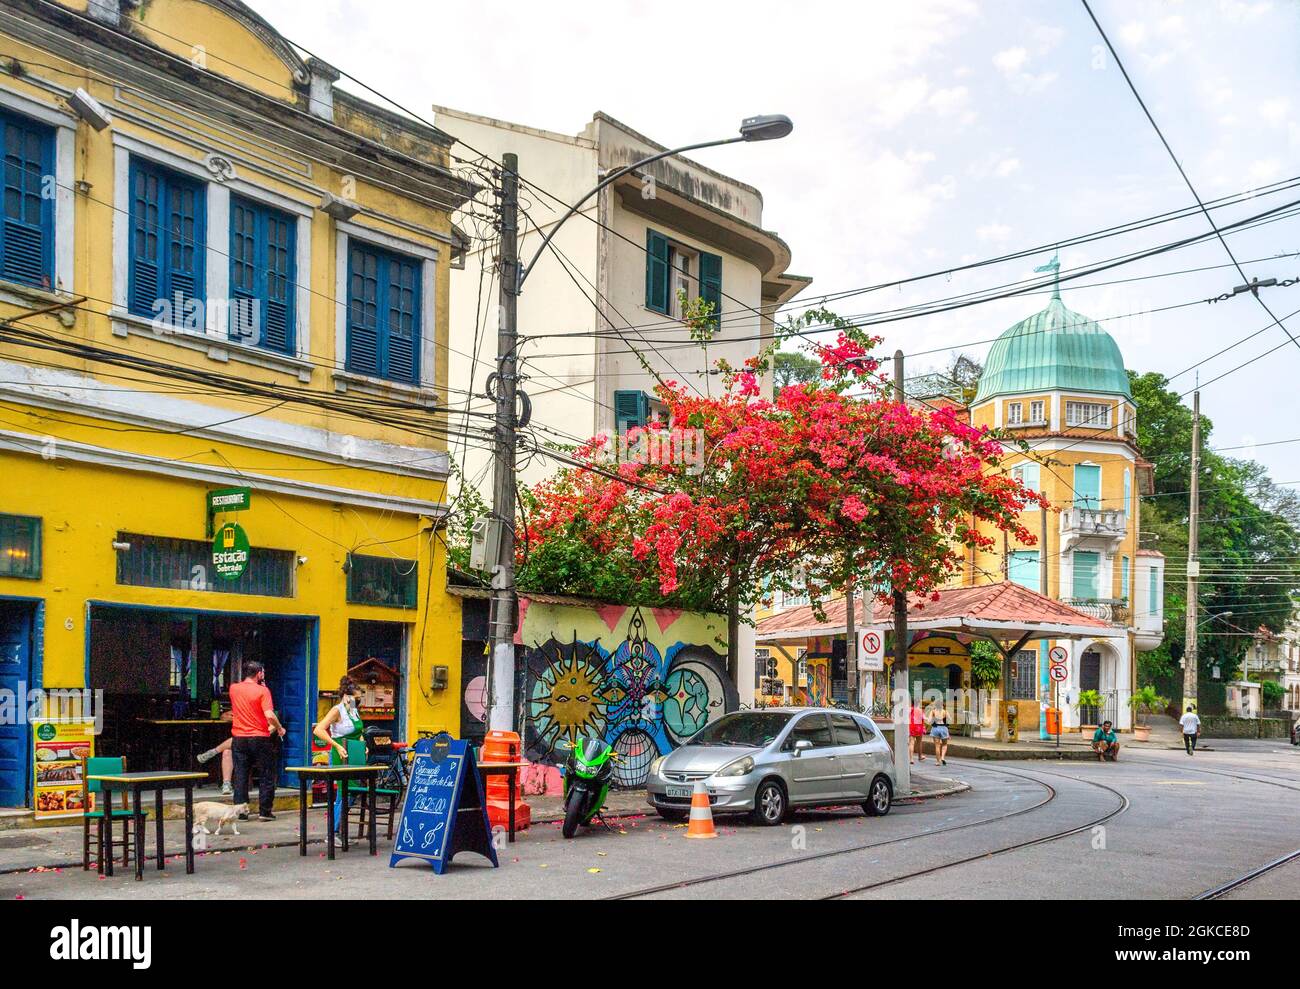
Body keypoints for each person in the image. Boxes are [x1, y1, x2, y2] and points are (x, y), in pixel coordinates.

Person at [229, 661, 286, 821]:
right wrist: (279, 727)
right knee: (267, 774)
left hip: (239, 737)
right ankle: (265, 811)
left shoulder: (234, 688)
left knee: (241, 774)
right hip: (259, 736)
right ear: (259, 673)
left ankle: (241, 812)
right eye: (262, 672)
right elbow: (269, 714)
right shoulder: (263, 691)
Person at [314, 676, 366, 829]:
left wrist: (363, 744)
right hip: (340, 755)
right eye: (355, 699)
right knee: (344, 793)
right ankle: (334, 831)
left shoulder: (354, 711)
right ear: (346, 696)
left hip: (355, 755)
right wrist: (336, 745)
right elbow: (319, 730)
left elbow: (358, 731)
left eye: (359, 699)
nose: (357, 702)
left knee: (354, 791)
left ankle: (339, 829)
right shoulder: (337, 710)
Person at [196, 707, 234, 794]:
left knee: (238, 738)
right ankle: (226, 784)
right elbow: (223, 716)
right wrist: (232, 717)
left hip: (253, 743)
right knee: (227, 752)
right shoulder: (239, 709)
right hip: (240, 746)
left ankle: (213, 752)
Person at [927, 700, 950, 765]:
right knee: (944, 745)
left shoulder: (933, 711)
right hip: (943, 728)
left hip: (935, 728)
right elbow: (950, 720)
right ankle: (942, 757)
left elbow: (929, 721)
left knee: (937, 746)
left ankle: (938, 761)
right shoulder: (945, 711)